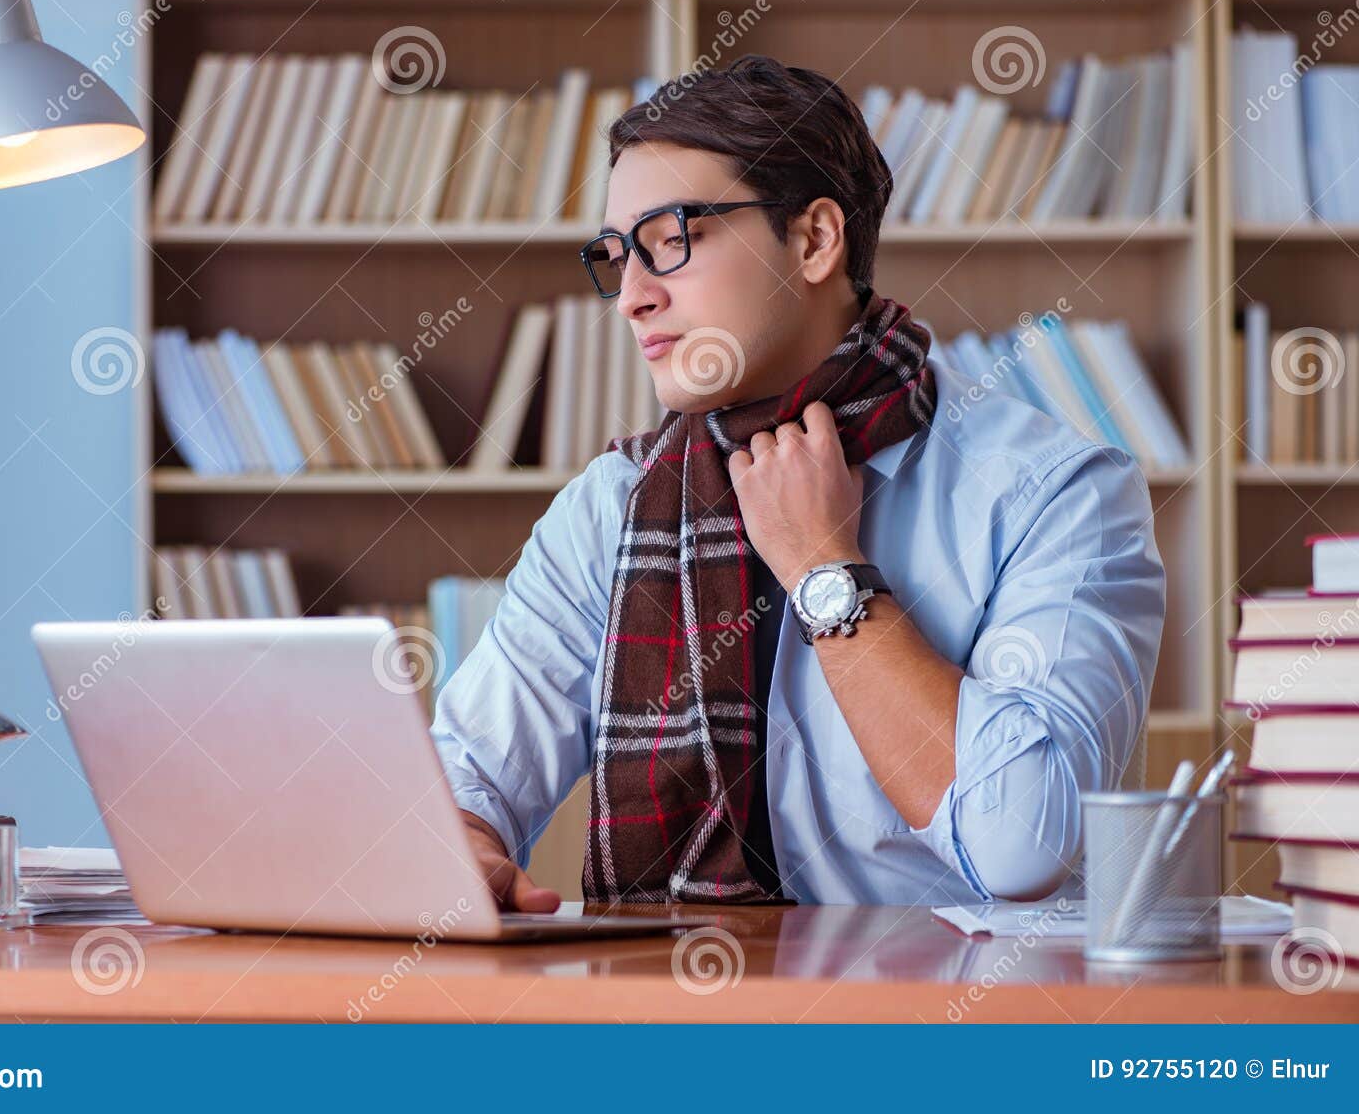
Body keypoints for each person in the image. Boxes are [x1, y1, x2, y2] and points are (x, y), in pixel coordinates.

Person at [429, 54, 1165, 909]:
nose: (629, 297)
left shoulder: (1058, 495)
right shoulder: (611, 508)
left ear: (815, 239)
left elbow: (1022, 844)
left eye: (670, 240)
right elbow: (466, 780)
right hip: (662, 1018)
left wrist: (823, 566)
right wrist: (460, 844)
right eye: (615, 256)